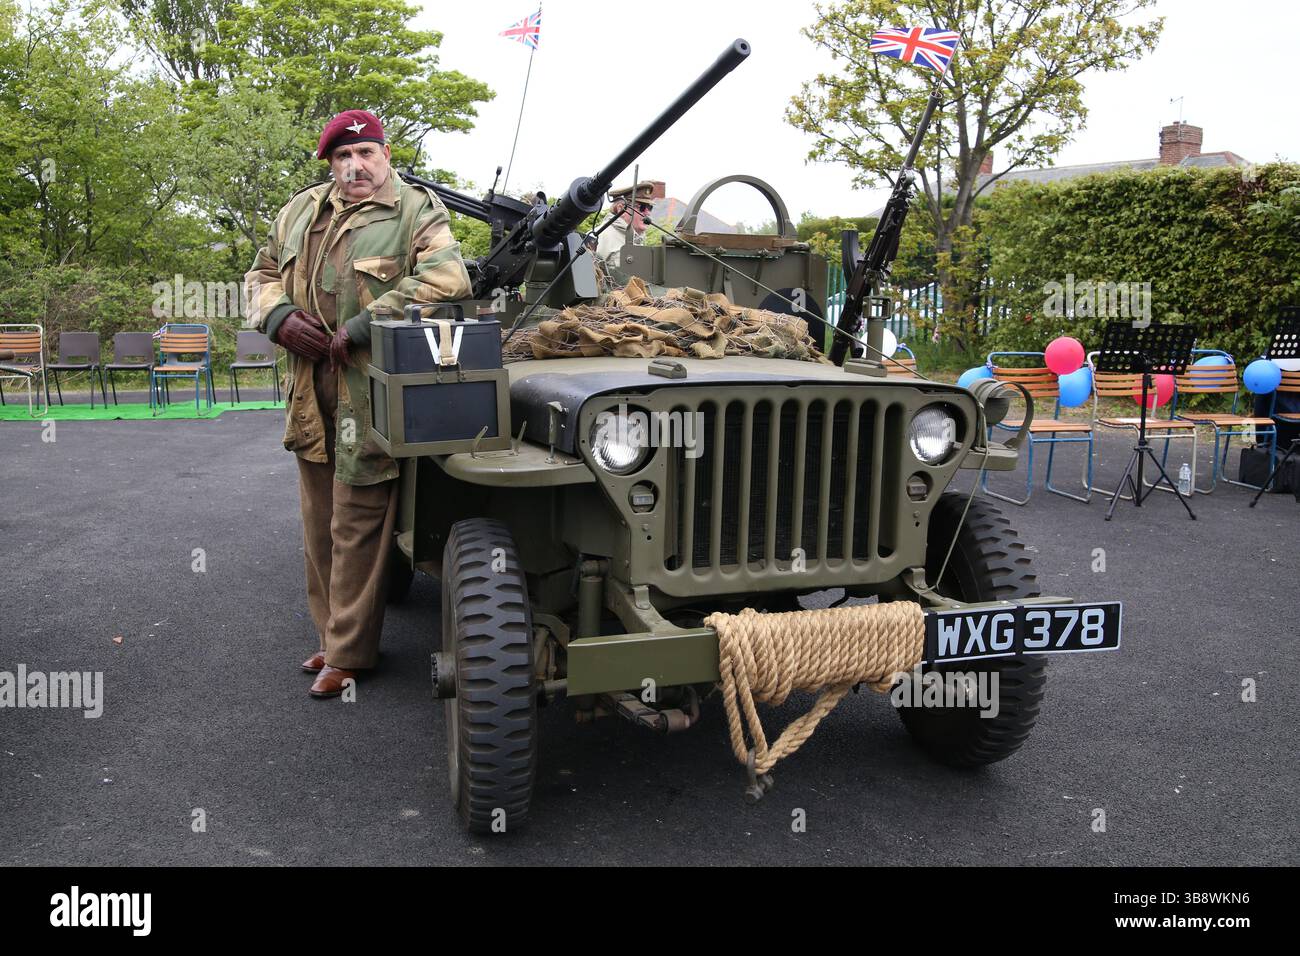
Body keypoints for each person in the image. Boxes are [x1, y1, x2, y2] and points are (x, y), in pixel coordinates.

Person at [244, 109, 471, 698]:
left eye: (366, 153)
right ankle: (331, 636)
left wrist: (367, 323)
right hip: (308, 386)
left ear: (384, 154)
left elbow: (449, 280)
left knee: (358, 521)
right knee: (318, 523)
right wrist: (278, 317)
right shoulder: (299, 211)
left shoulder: (416, 210)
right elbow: (260, 274)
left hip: (370, 390)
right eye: (343, 158)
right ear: (330, 164)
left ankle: (349, 654)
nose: (355, 166)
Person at [595, 181, 656, 270]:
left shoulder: (637, 239)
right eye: (642, 207)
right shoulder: (599, 236)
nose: (648, 213)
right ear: (621, 209)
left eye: (650, 207)